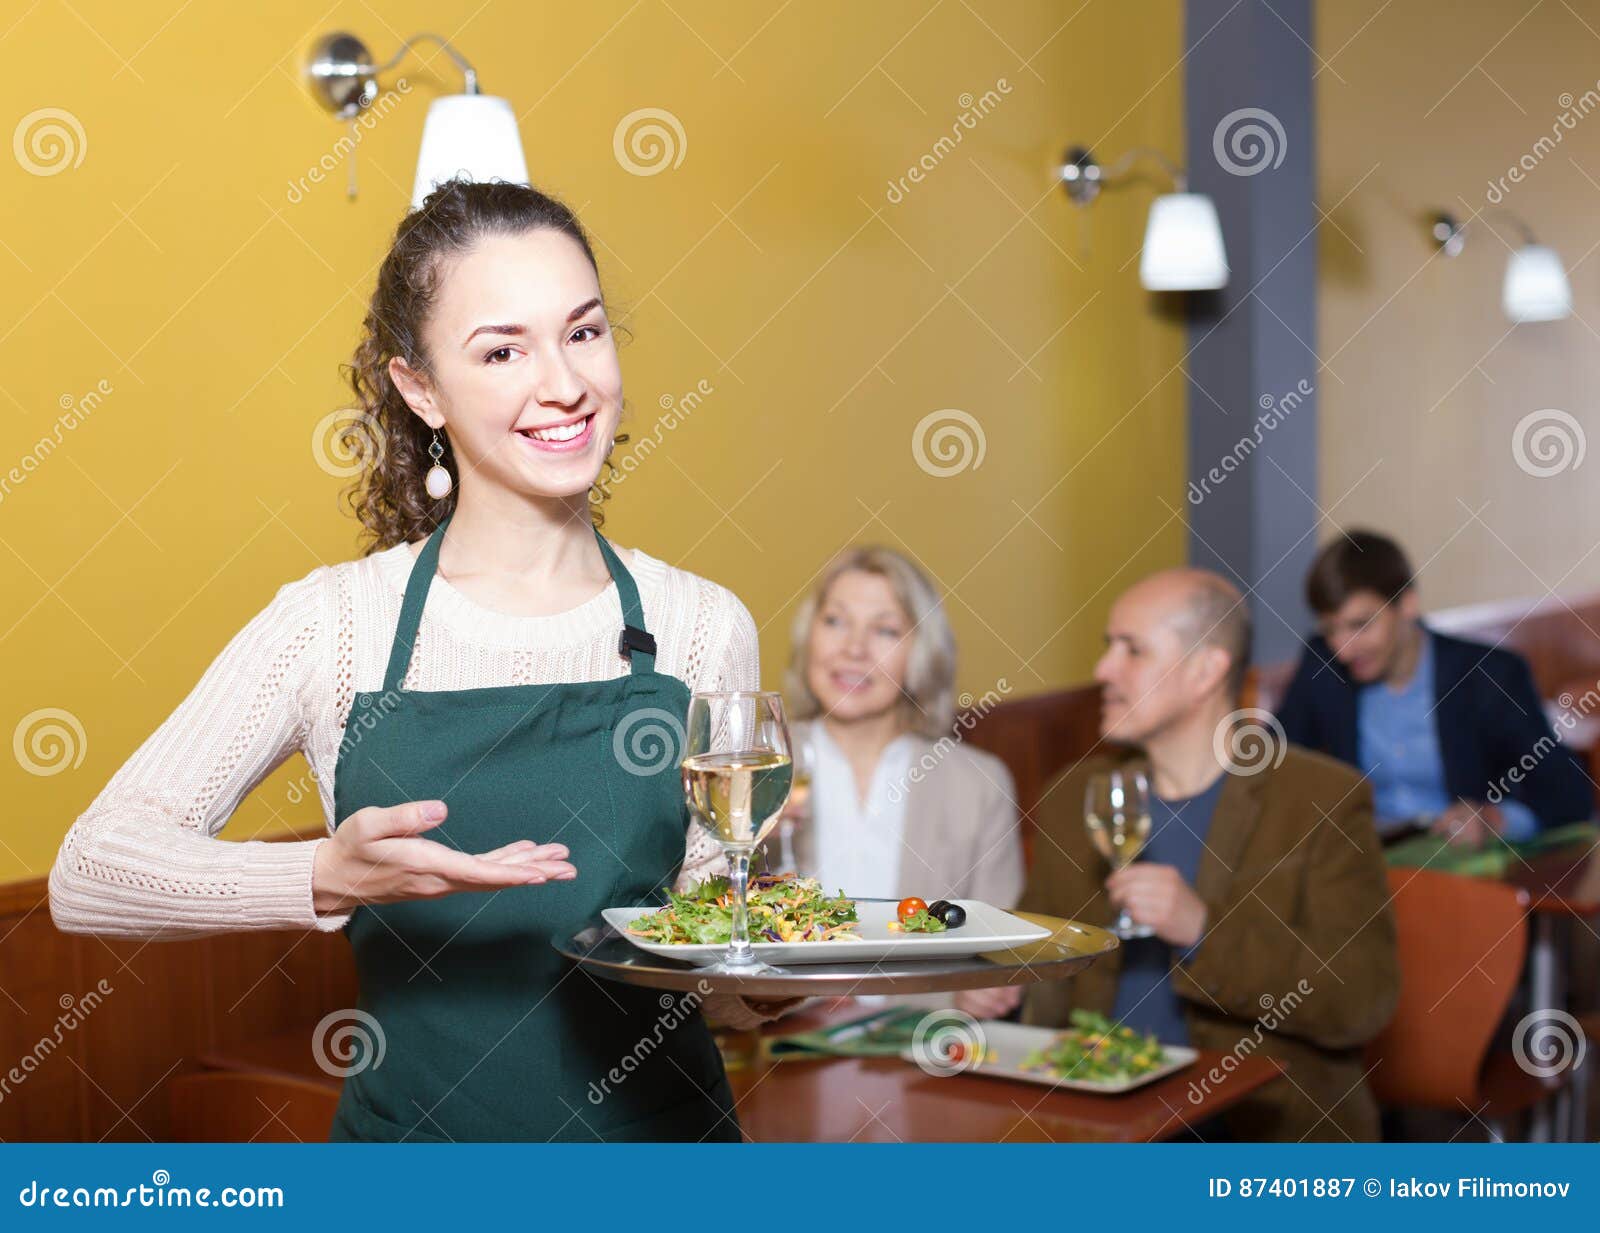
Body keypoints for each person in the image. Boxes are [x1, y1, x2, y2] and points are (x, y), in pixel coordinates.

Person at [49, 180, 794, 1142]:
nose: (564, 383)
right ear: (420, 388)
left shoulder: (702, 623)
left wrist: (759, 986)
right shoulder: (333, 624)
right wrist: (325, 875)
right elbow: (87, 871)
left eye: (584, 332)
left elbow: (697, 930)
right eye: (501, 350)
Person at [958, 569, 1400, 1141]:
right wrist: (997, 985)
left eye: (1132, 650)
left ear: (1204, 670)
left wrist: (1200, 930)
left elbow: (1361, 999)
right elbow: (1038, 955)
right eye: (1107, 647)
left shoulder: (1319, 800)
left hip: (1255, 1133)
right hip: (1089, 1123)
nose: (1103, 671)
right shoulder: (1077, 795)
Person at [1275, 530, 1592, 846]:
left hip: (1463, 874)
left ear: (1407, 604)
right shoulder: (1323, 666)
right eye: (1331, 630)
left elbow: (1567, 792)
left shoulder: (1489, 675)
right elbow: (1273, 759)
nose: (1343, 650)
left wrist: (1494, 820)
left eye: (1361, 625)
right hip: (1364, 866)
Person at [765, 545, 1023, 907]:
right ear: (808, 636)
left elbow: (997, 949)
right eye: (835, 621)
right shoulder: (755, 772)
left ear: (923, 651)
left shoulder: (980, 786)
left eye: (885, 630)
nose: (854, 649)